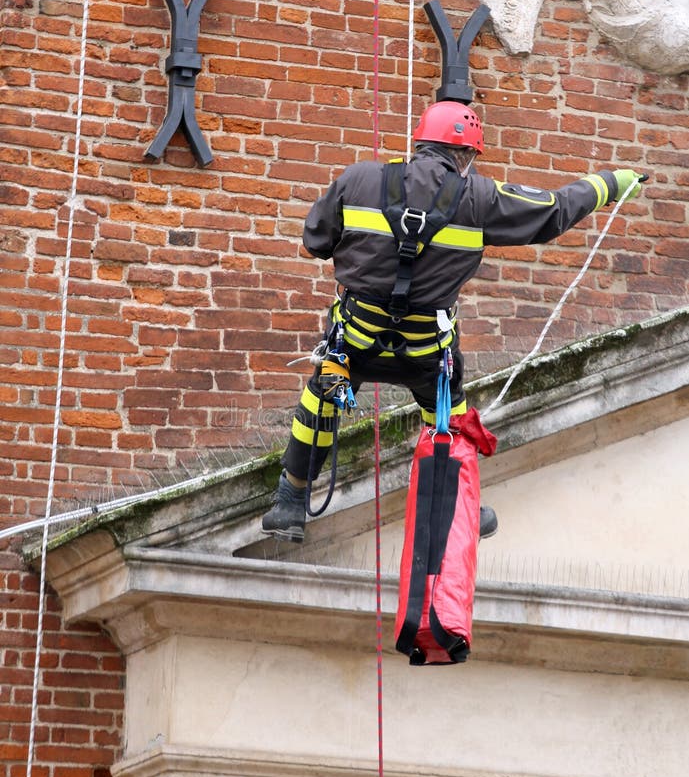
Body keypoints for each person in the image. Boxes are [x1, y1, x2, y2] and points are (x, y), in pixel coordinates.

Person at [262, 100, 645, 543]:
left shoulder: (360, 178)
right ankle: (461, 507)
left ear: (421, 142)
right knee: (448, 414)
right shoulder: (479, 198)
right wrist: (612, 184)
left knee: (321, 398)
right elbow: (555, 210)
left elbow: (316, 241)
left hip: (356, 340)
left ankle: (291, 503)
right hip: (425, 353)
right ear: (466, 157)